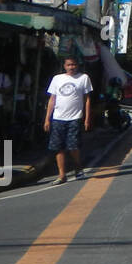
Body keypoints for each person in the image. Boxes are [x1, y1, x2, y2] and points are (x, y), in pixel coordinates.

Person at [45, 56, 92, 184]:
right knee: (58, 147)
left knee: (73, 146)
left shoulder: (84, 78)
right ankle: (62, 175)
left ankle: (78, 167)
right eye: (69, 65)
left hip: (75, 117)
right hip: (58, 118)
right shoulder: (57, 79)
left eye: (74, 64)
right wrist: (47, 119)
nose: (72, 67)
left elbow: (87, 99)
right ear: (64, 66)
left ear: (78, 65)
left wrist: (87, 118)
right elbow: (52, 100)